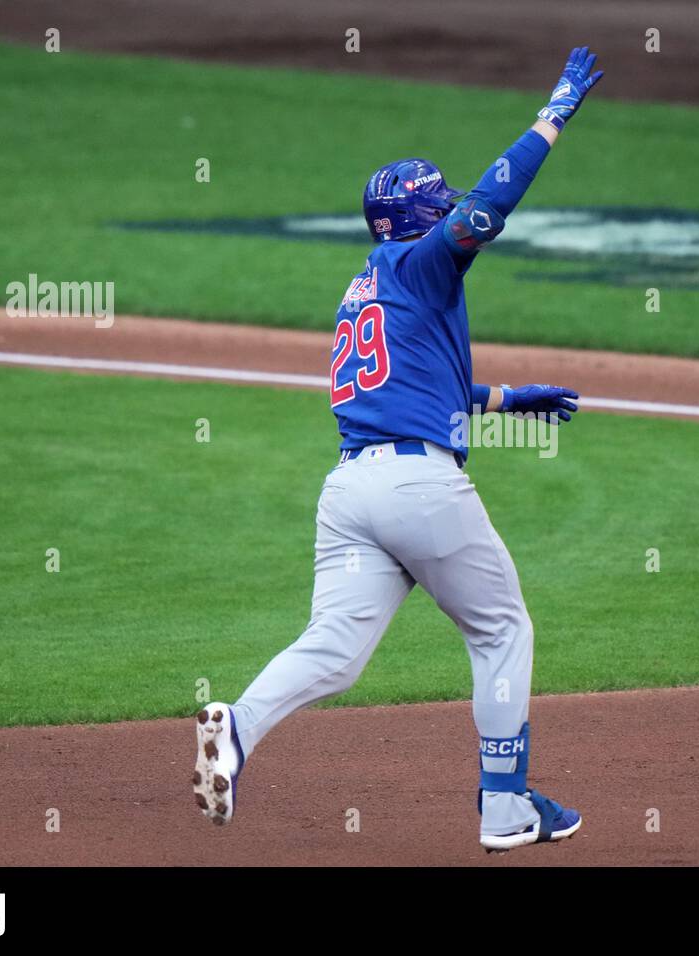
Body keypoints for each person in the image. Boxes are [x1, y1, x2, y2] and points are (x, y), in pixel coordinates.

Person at [193, 46, 603, 852]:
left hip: (351, 493)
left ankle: (236, 725)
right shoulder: (425, 263)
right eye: (439, 205)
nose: (453, 211)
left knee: (335, 648)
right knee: (502, 631)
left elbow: (418, 392)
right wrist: (552, 116)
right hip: (419, 489)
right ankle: (506, 807)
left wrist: (509, 400)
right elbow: (490, 206)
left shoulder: (366, 290)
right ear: (422, 217)